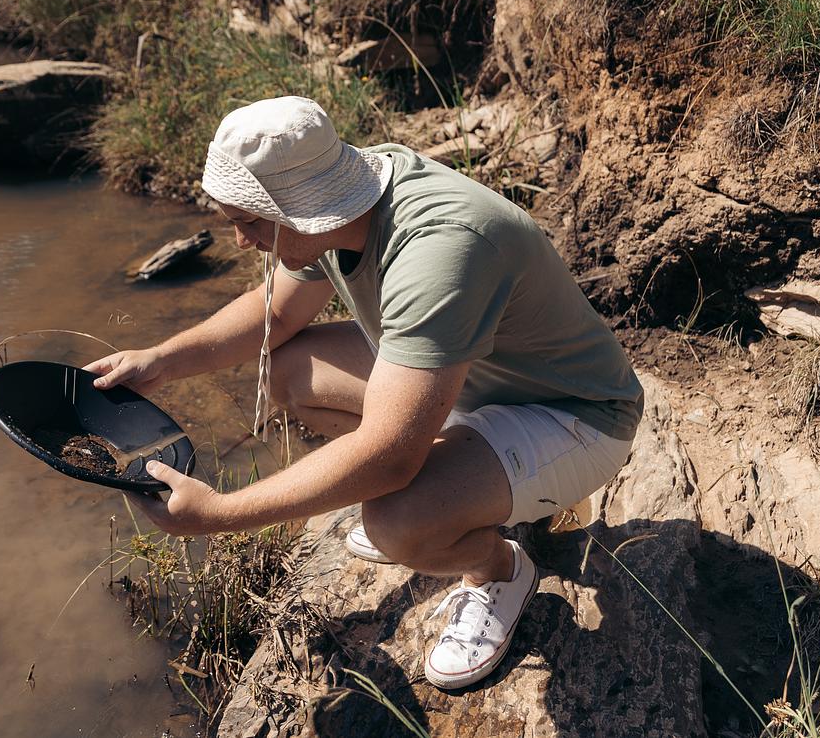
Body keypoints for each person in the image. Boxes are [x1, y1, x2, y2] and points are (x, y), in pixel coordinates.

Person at [84, 96, 643, 690]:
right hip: (471, 377)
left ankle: (498, 569)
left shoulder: (438, 250)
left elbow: (390, 457)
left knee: (396, 522)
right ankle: (460, 480)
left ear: (301, 211)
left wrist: (219, 515)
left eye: (249, 221)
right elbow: (275, 314)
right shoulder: (342, 198)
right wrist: (161, 360)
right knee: (288, 371)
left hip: (572, 414)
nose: (242, 241)